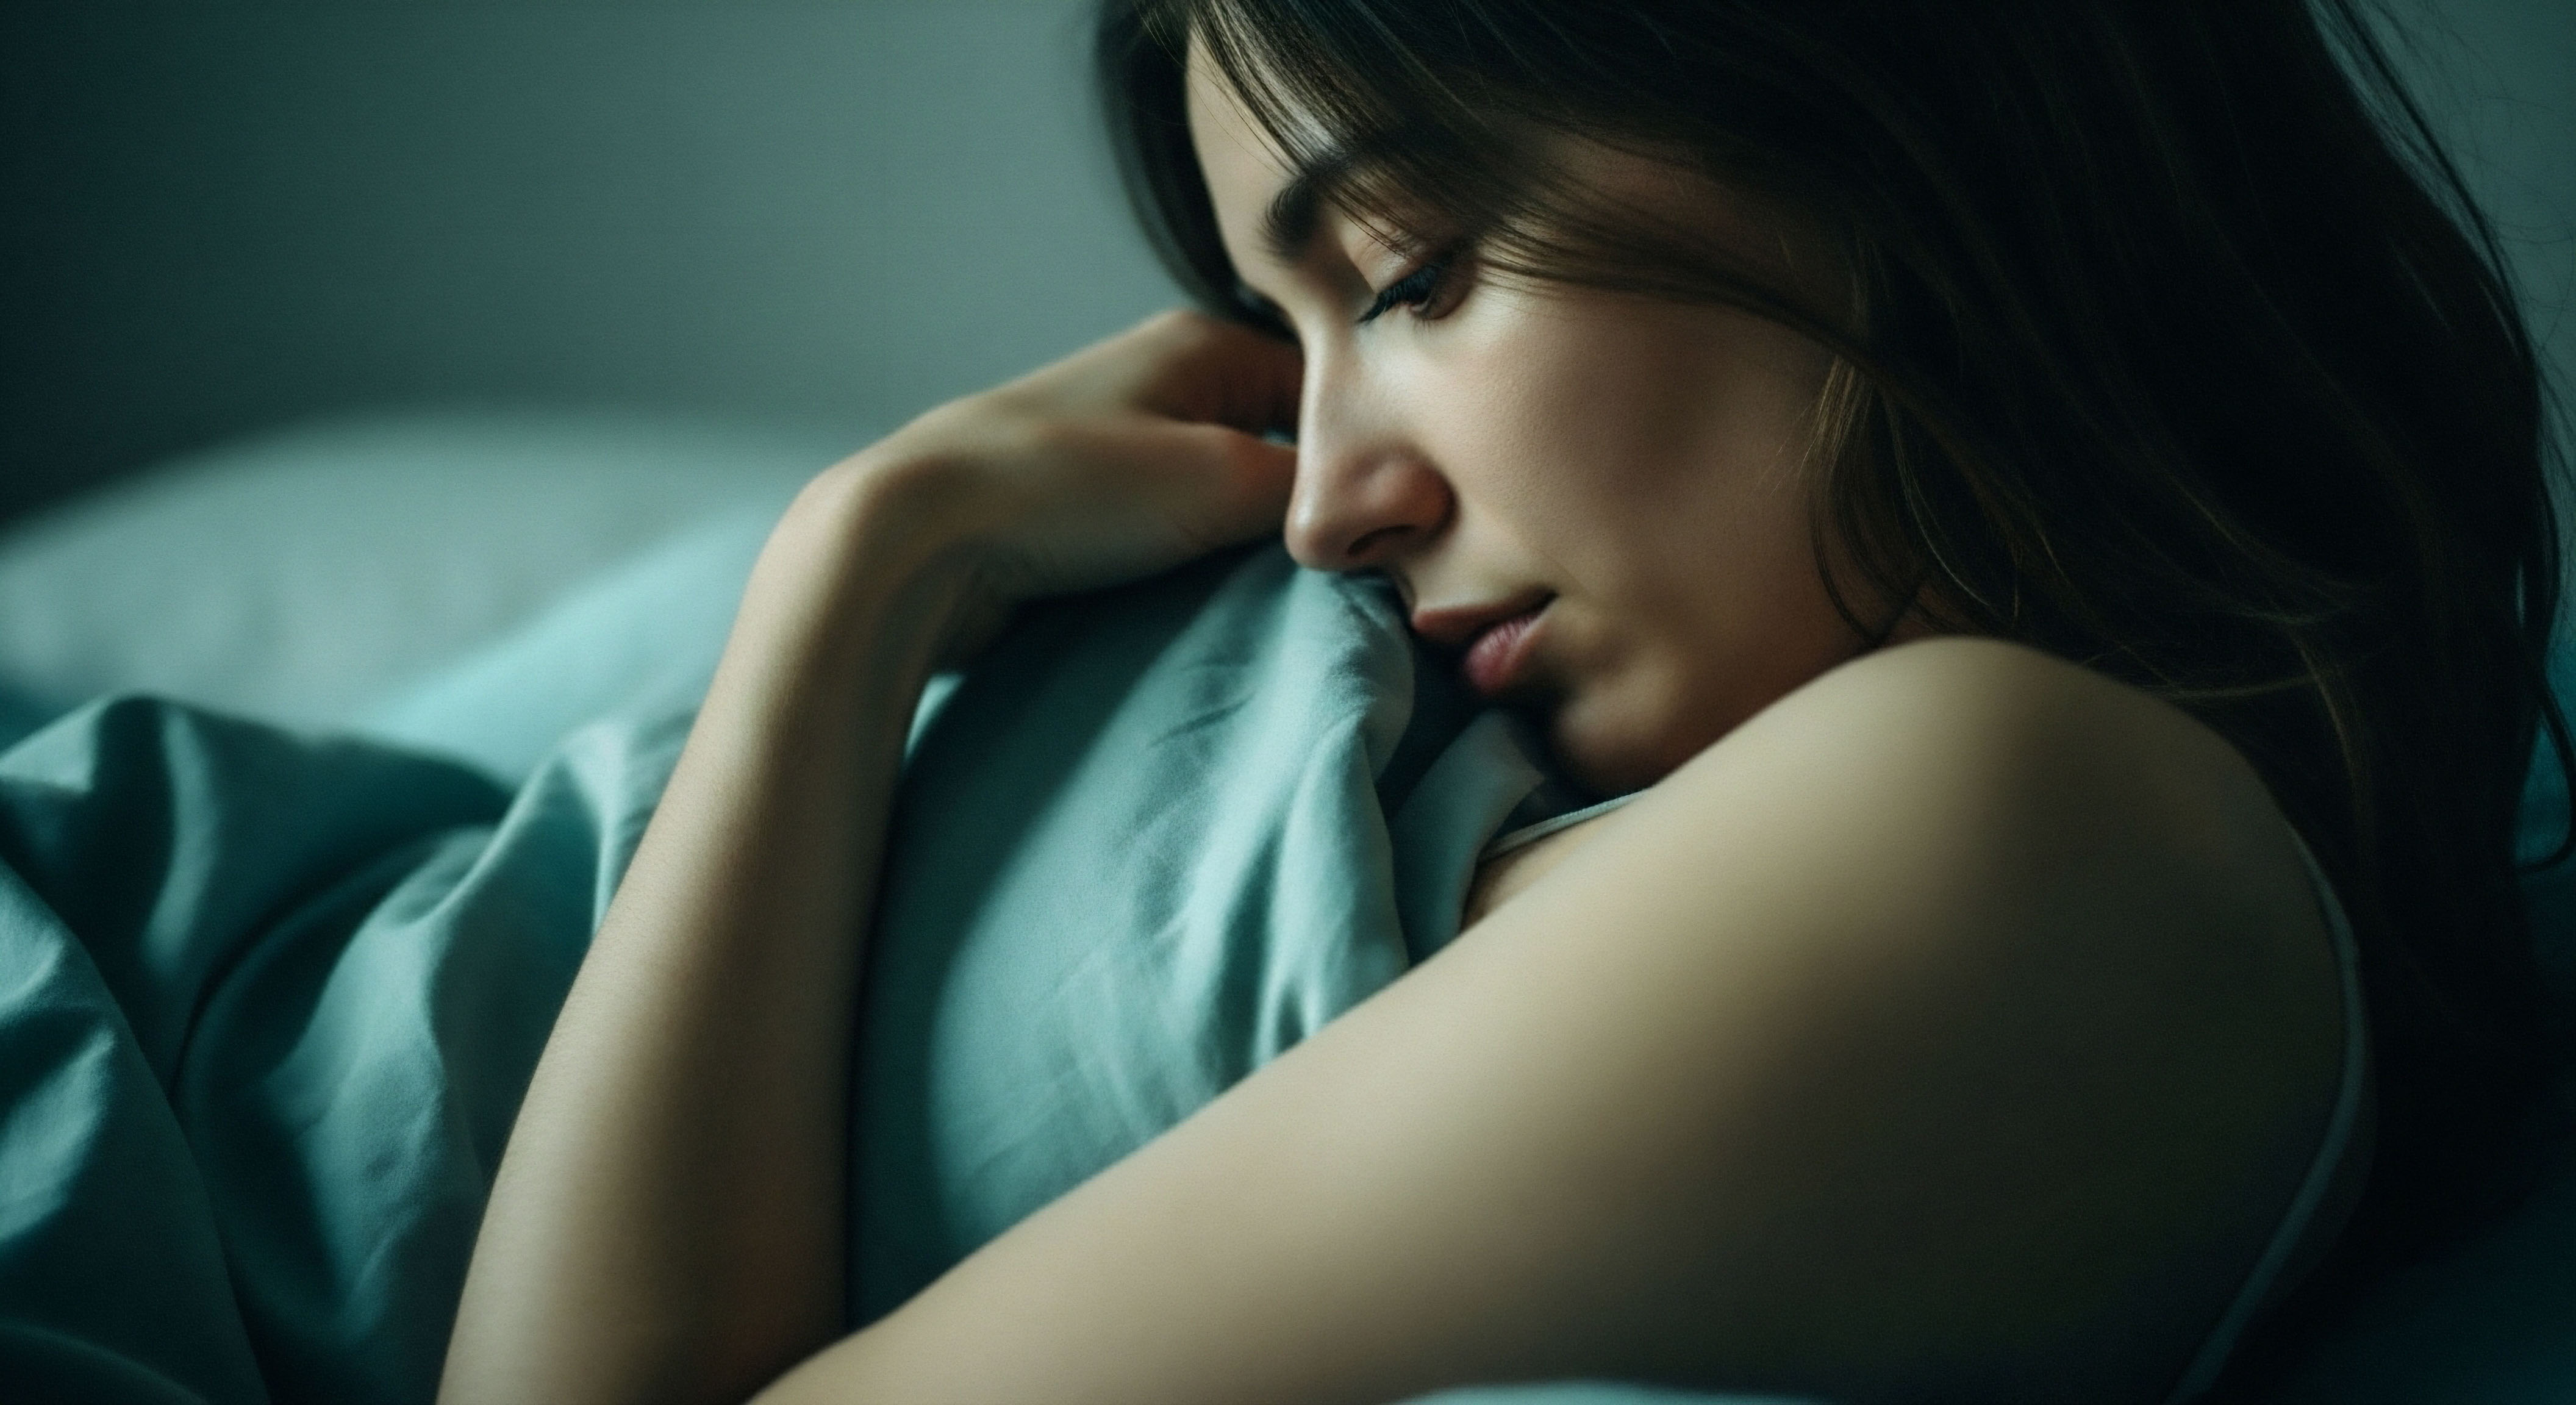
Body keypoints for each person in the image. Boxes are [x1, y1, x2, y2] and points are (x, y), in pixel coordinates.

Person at [437, 1, 2567, 1401]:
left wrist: (855, 586)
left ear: (1901, 108)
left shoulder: (2038, 827)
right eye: (1285, 335)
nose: (1324, 506)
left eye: (1411, 270)